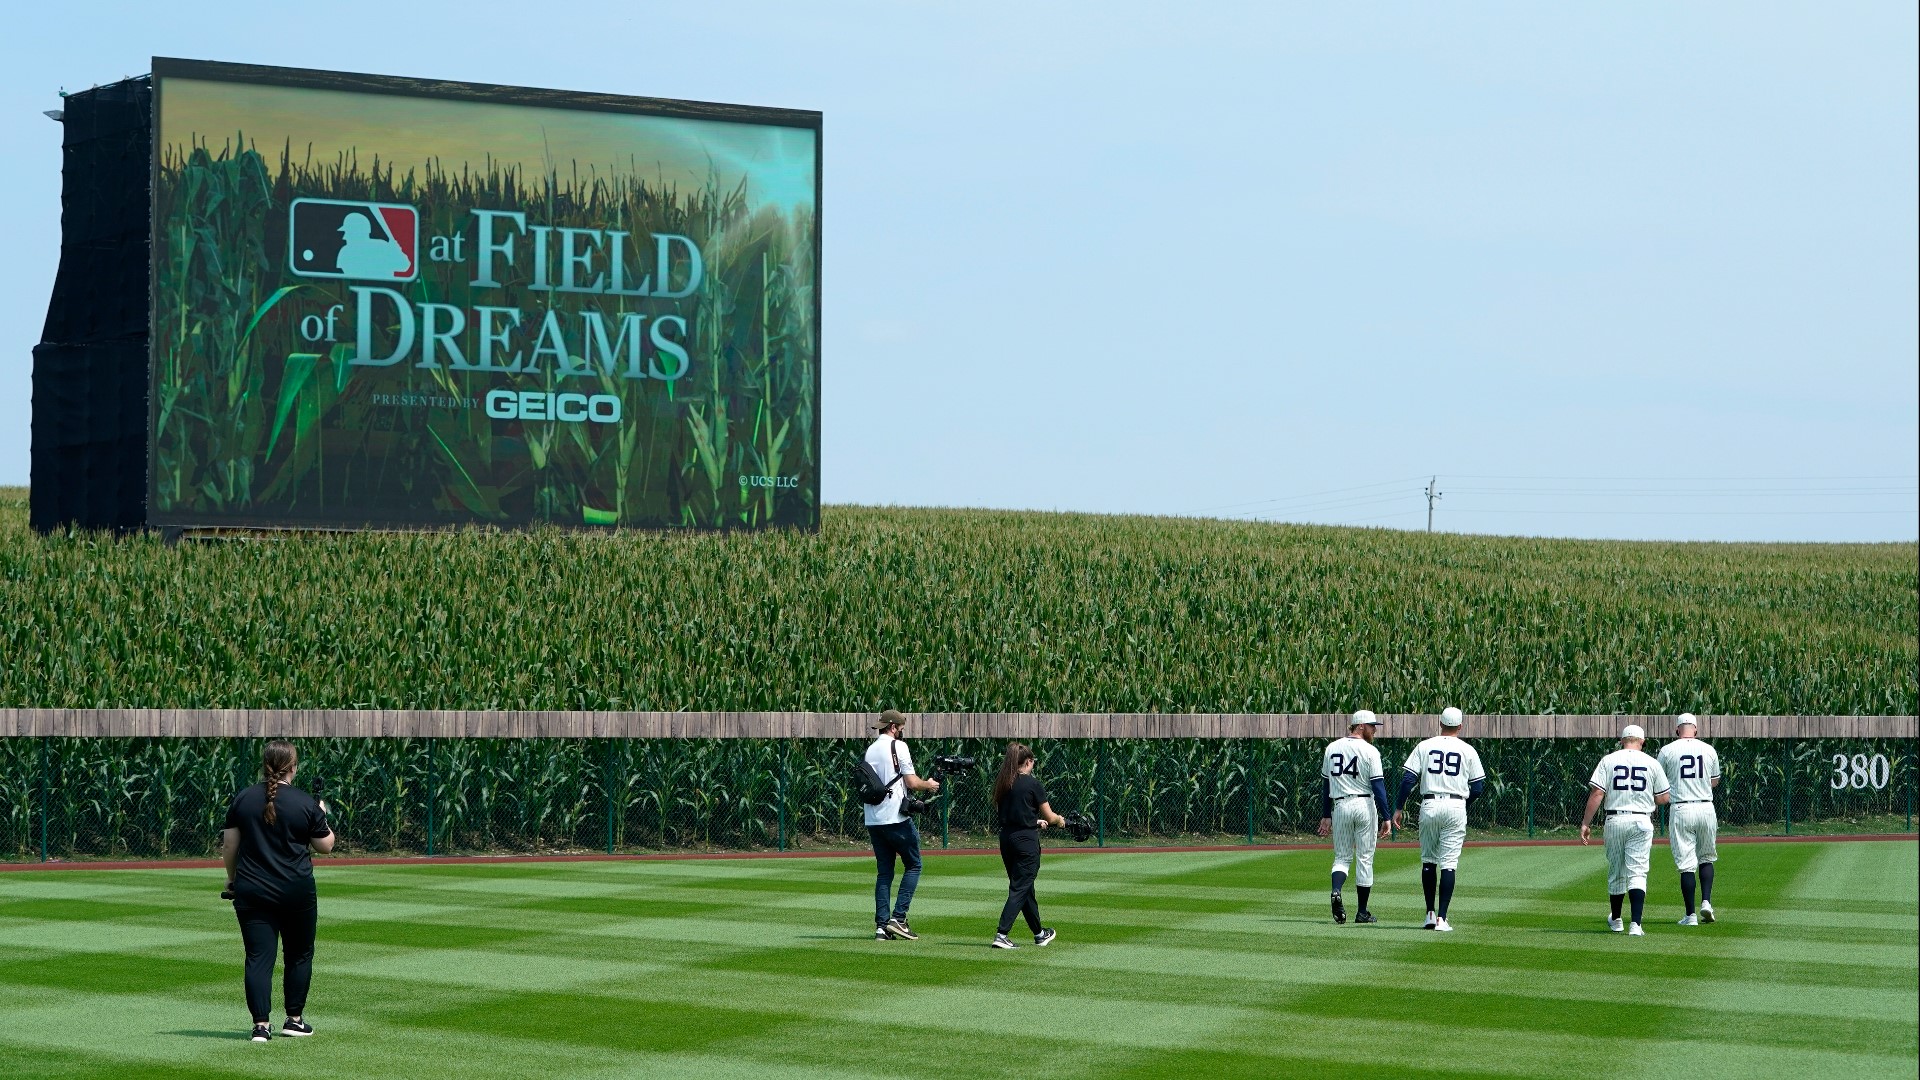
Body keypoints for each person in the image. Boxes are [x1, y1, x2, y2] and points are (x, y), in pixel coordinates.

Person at [221, 739, 335, 1042]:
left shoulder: (243, 799)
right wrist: (321, 813)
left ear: (264, 764)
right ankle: (294, 1020)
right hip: (296, 890)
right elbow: (326, 845)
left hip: (252, 889)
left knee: (258, 957)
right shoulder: (305, 803)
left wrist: (231, 880)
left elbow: (230, 846)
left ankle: (261, 1025)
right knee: (299, 955)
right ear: (293, 768)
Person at [1393, 707, 1485, 932]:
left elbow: (1408, 779)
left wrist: (1398, 807)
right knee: (1449, 864)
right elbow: (1479, 787)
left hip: (1430, 803)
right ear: (1461, 726)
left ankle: (1429, 914)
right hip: (1455, 805)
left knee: (1428, 861)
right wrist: (1464, 803)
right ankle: (1442, 919)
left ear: (1440, 723)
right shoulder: (1467, 749)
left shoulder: (1424, 746)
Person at [1580, 724, 1673, 936]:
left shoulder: (1609, 760)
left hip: (1615, 819)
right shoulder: (1651, 762)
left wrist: (1586, 822)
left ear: (1622, 741)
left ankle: (1617, 919)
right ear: (1641, 741)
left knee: (1616, 871)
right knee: (1637, 872)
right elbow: (1664, 798)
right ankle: (1636, 925)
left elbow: (1597, 794)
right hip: (1641, 820)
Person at [864, 709, 940, 941]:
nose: (901, 733)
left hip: (873, 819)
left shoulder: (871, 749)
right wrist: (928, 784)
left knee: (884, 872)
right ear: (894, 727)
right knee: (914, 865)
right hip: (895, 818)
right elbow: (911, 782)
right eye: (900, 729)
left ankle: (881, 926)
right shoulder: (899, 747)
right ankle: (899, 918)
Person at [1318, 710, 1392, 925]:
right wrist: (1386, 817)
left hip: (1340, 804)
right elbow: (1378, 786)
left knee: (1341, 857)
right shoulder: (1370, 751)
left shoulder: (1332, 748)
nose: (1374, 730)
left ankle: (1336, 890)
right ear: (1360, 726)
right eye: (1371, 726)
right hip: (1364, 804)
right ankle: (1362, 912)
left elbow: (1326, 784)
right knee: (1365, 858)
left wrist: (1325, 815)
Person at [991, 742, 1065, 949]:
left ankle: (1039, 933)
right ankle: (1002, 933)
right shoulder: (1032, 784)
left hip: (1007, 839)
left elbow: (1013, 813)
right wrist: (1060, 820)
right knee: (1019, 888)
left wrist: (1033, 821)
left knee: (1025, 888)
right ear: (1029, 762)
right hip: (1026, 842)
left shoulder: (1003, 782)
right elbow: (1050, 817)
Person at [1656, 713, 1720, 925]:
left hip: (1681, 807)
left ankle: (1690, 915)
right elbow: (1715, 780)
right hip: (1705, 806)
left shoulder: (1667, 750)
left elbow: (1657, 781)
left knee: (1686, 864)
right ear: (1696, 729)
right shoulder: (1708, 749)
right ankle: (1706, 902)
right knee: (1706, 857)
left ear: (1677, 730)